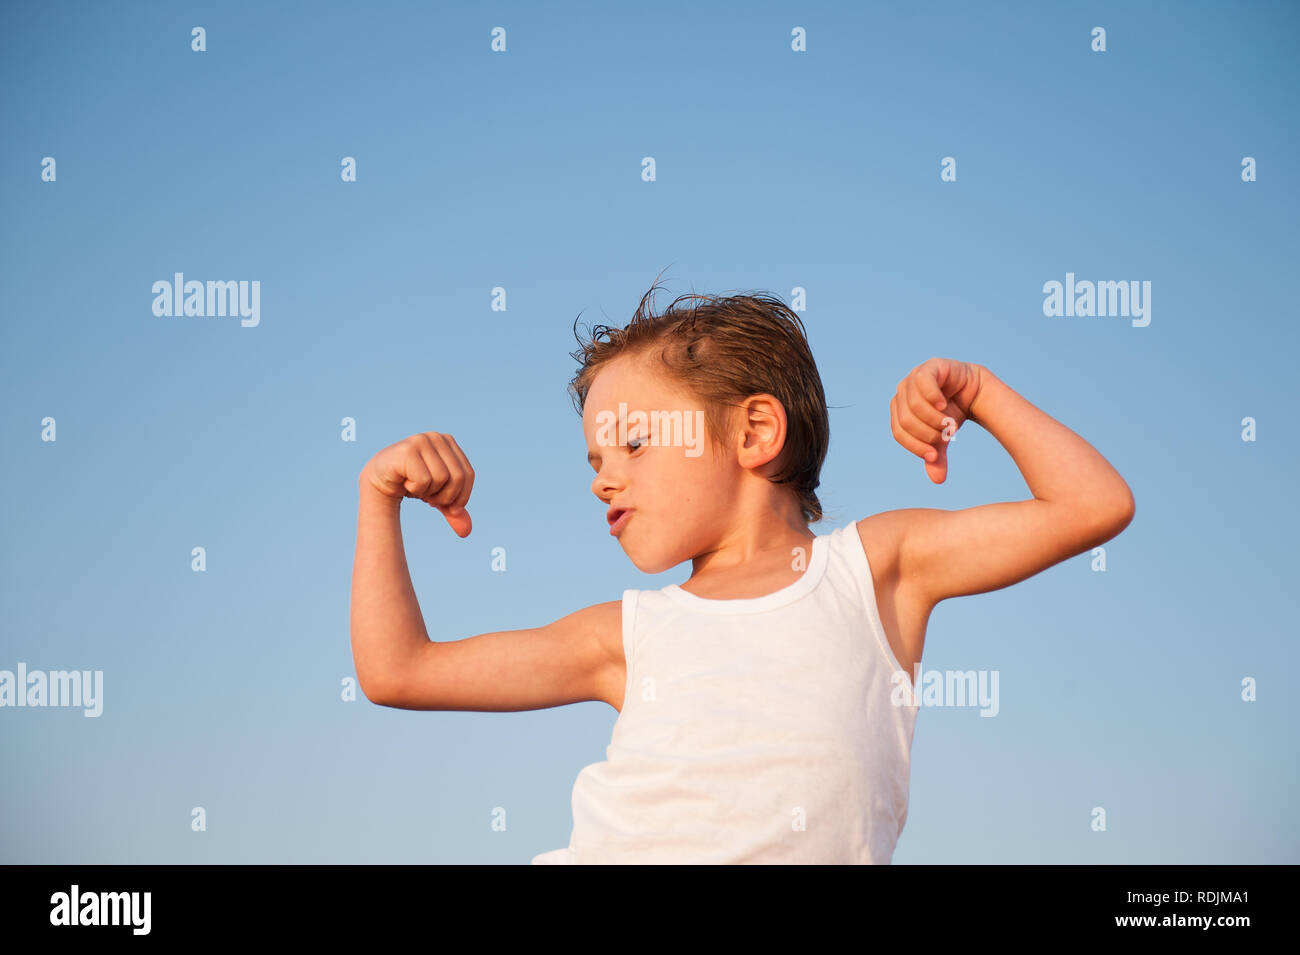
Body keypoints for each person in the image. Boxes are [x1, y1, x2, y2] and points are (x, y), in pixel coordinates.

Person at [349, 282, 1135, 864]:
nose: (602, 478)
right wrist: (378, 497)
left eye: (632, 443)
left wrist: (978, 391)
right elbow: (399, 671)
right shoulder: (626, 635)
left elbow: (1091, 504)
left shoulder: (876, 571)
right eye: (594, 459)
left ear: (756, 429)